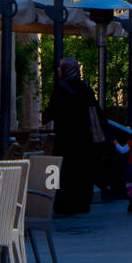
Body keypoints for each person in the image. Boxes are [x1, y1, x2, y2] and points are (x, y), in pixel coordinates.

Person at [42, 58, 104, 215]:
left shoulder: (60, 89)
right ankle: (82, 204)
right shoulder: (86, 88)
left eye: (60, 68)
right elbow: (96, 113)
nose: (58, 71)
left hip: (65, 139)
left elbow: (49, 113)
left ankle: (62, 204)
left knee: (62, 171)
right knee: (83, 172)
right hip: (84, 140)